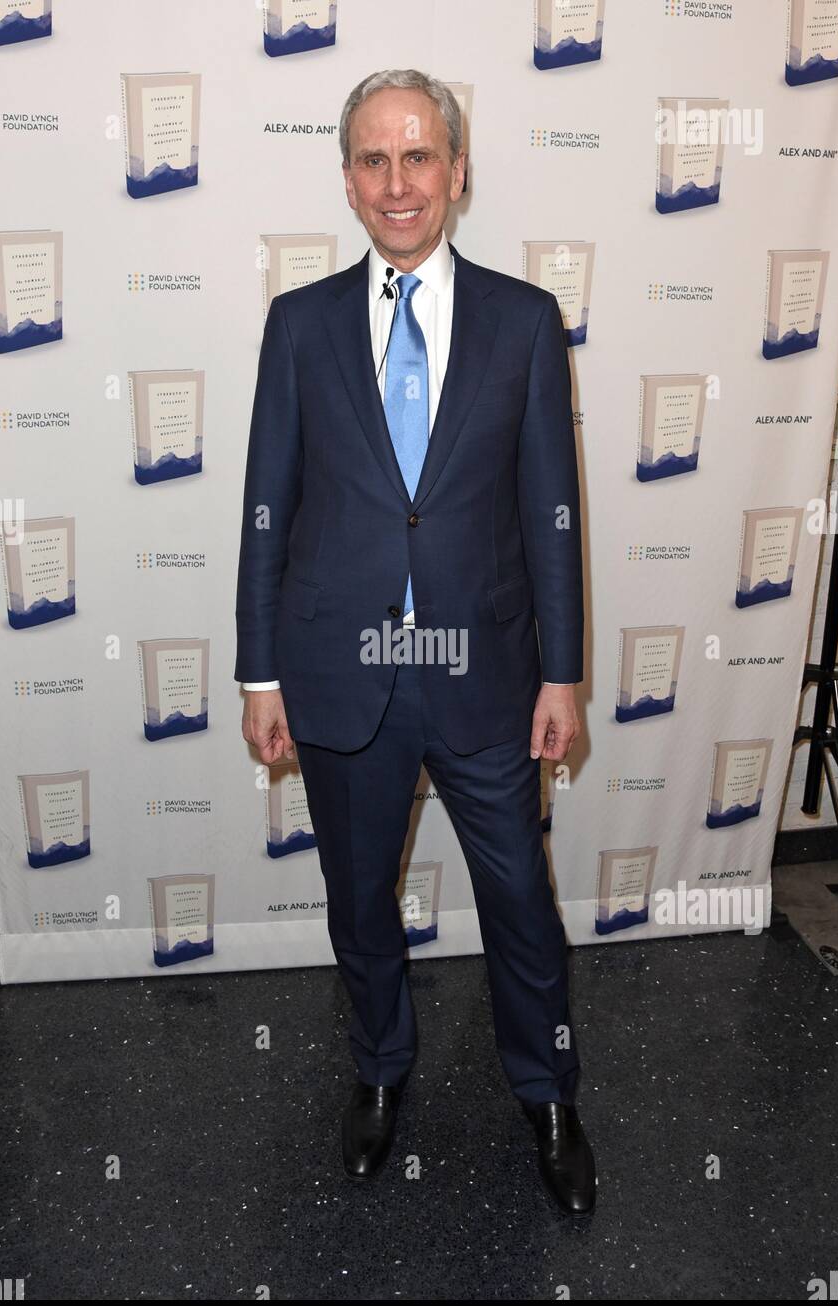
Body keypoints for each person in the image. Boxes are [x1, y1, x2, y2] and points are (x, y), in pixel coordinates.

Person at [234, 69, 595, 1218]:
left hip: (484, 675)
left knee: (521, 906)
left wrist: (564, 672)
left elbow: (552, 509)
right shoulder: (295, 327)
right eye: (374, 160)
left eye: (418, 156)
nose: (398, 183)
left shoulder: (524, 322)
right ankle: (380, 1072)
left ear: (457, 170)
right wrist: (259, 671)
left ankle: (544, 1094)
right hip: (340, 678)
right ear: (347, 178)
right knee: (357, 903)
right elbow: (264, 509)